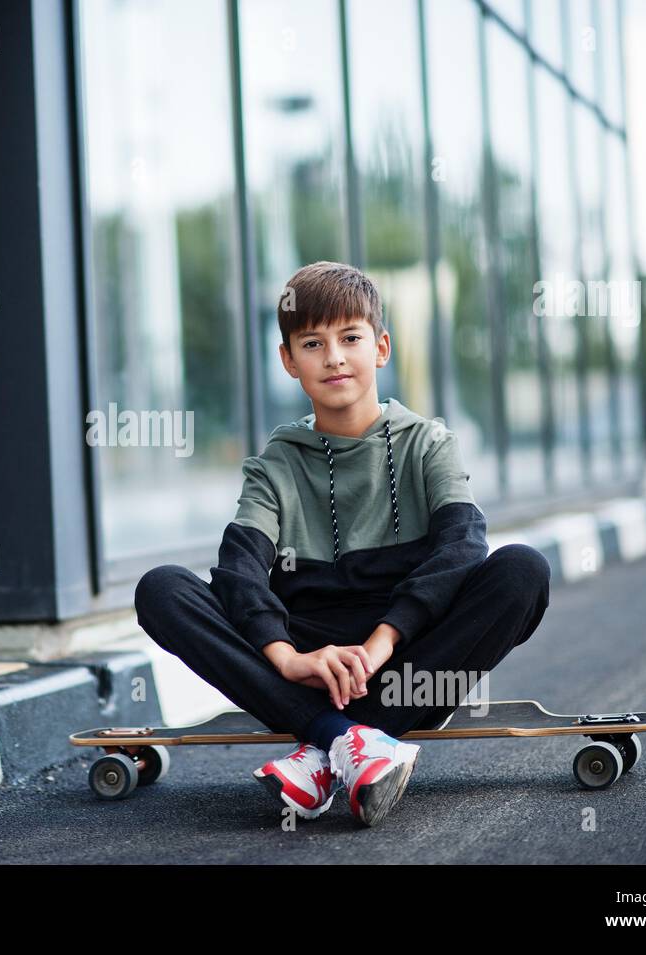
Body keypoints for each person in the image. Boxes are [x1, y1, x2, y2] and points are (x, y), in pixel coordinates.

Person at [134, 261, 551, 828]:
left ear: (380, 347)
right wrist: (288, 657)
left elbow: (462, 546)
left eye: (350, 338)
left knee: (522, 570)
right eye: (313, 343)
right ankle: (354, 743)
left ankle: (327, 750)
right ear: (288, 360)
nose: (334, 357)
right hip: (307, 659)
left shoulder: (428, 444)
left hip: (407, 658)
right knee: (162, 589)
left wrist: (380, 645)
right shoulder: (276, 463)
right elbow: (241, 570)